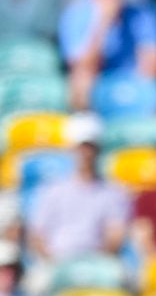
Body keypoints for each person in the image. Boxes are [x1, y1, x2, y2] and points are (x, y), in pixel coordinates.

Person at [58, 0, 156, 110]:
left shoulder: (144, 13)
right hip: (98, 84)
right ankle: (88, 118)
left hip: (133, 82)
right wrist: (103, 23)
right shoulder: (75, 15)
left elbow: (152, 68)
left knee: (150, 89)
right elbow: (81, 66)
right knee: (81, 80)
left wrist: (127, 94)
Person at [27, 114, 131, 271]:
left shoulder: (114, 193)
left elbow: (115, 236)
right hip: (56, 262)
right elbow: (37, 237)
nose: (86, 153)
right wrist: (55, 264)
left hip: (98, 263)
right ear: (72, 149)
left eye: (90, 147)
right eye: (81, 147)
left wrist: (94, 265)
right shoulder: (52, 191)